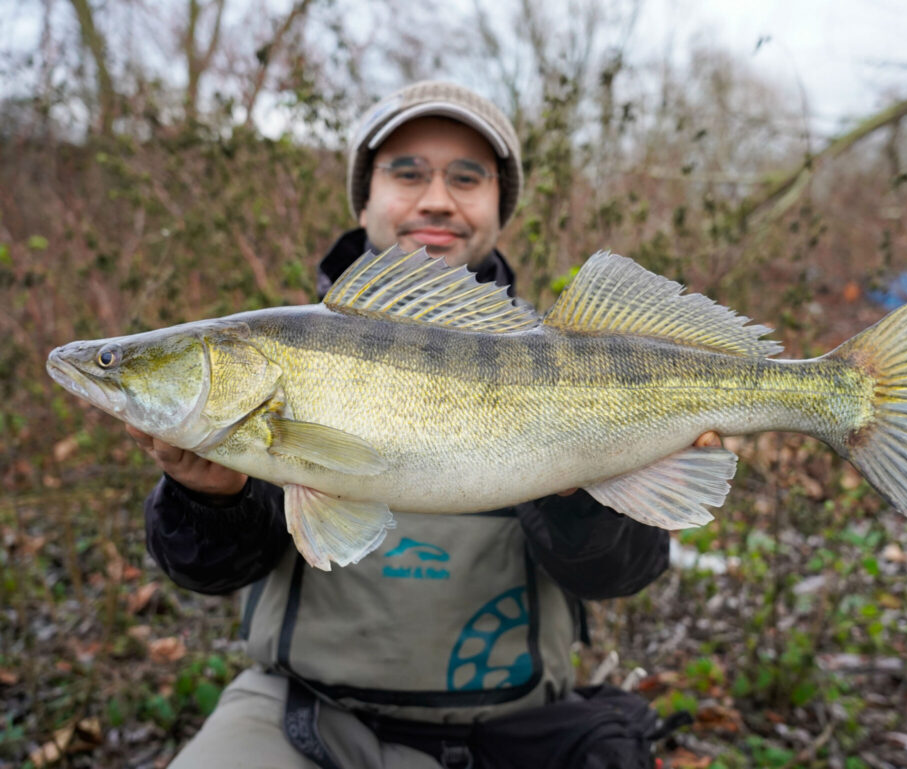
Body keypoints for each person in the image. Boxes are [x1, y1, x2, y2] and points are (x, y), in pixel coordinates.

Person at [130, 81, 710, 769]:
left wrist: (584, 481)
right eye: (407, 171)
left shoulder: (573, 355)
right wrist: (208, 496)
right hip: (300, 715)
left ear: (500, 202)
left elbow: (620, 572)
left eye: (467, 176)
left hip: (513, 731)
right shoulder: (276, 353)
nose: (436, 198)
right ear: (366, 195)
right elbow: (209, 570)